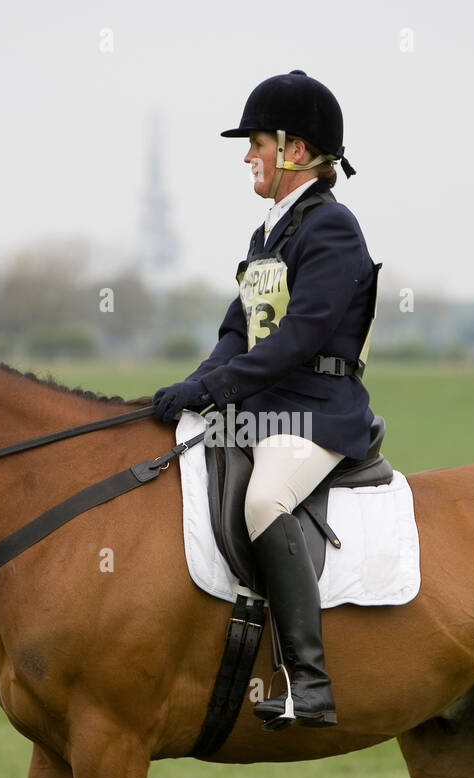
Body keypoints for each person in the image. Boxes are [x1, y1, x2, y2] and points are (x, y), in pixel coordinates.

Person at [151, 70, 381, 730]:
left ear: (297, 151)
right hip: (266, 407)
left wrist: (220, 387)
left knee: (264, 499)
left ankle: (309, 680)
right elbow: (238, 330)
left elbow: (302, 335)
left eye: (256, 143)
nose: (247, 155)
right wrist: (194, 388)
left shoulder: (332, 230)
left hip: (316, 409)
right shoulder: (268, 237)